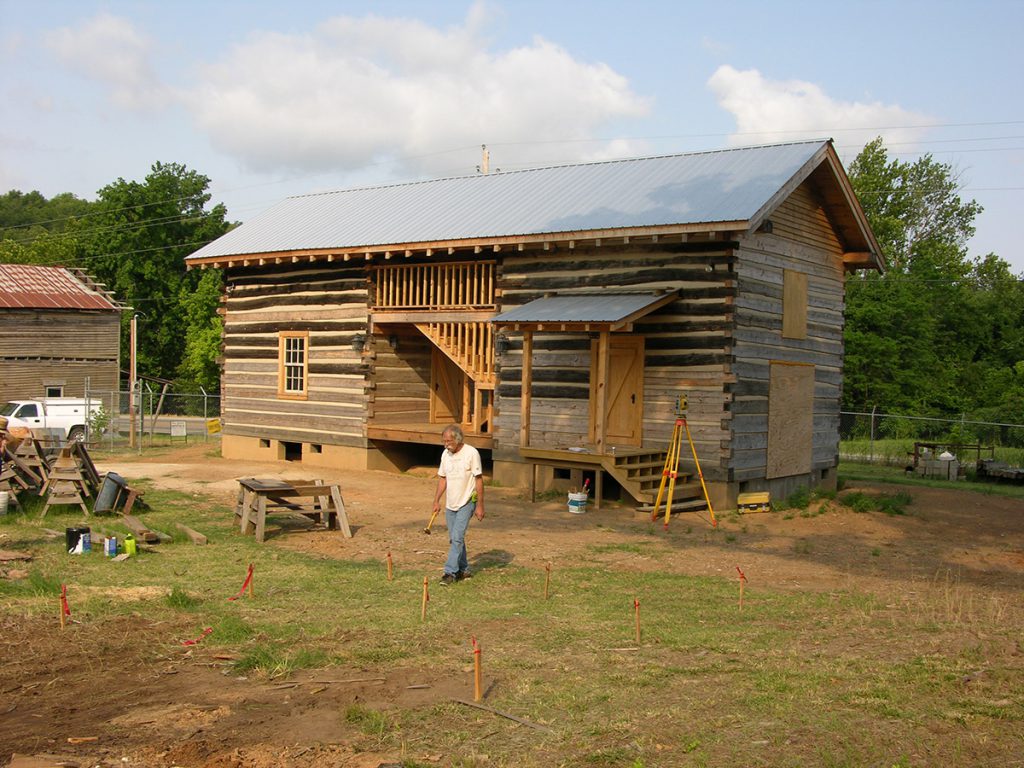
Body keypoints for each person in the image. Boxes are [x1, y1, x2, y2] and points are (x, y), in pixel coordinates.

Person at [433, 423, 484, 585]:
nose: (446, 444)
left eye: (449, 441)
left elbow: (479, 479)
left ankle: (450, 573)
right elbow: (442, 478)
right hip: (451, 503)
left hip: (467, 501)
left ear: (458, 439)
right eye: (444, 441)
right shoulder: (445, 455)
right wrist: (436, 500)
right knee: (455, 538)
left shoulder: (471, 453)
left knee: (456, 537)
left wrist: (480, 505)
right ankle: (463, 569)